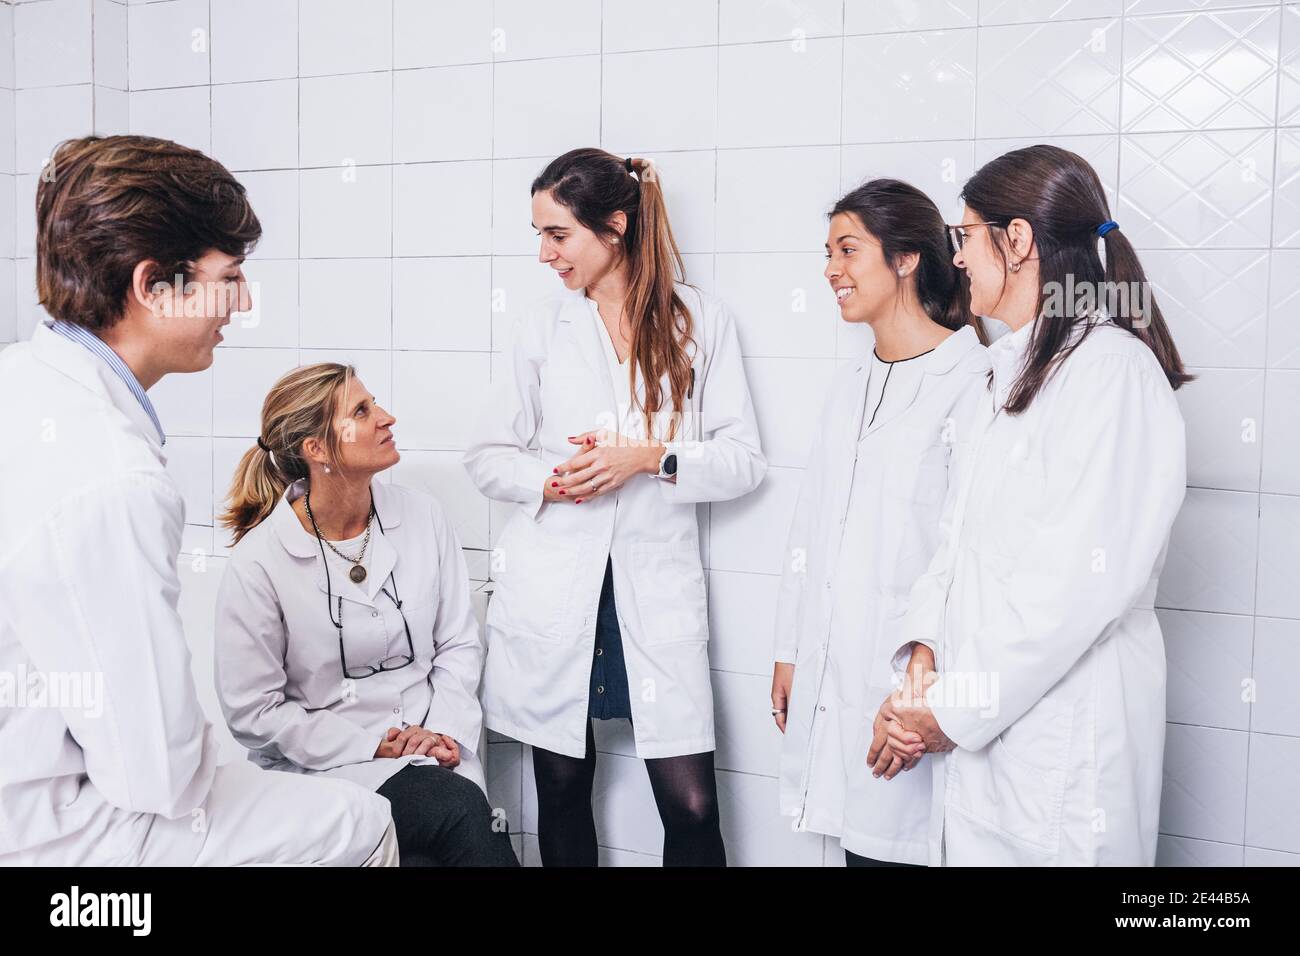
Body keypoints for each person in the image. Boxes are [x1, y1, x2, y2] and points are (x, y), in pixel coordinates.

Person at [0, 135, 395, 866]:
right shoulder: (114, 478)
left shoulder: (20, 382)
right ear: (155, 285)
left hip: (33, 789)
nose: (241, 303)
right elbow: (160, 777)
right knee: (360, 824)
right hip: (61, 836)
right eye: (230, 277)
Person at [869, 145, 1189, 866]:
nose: (956, 259)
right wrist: (920, 671)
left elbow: (1072, 588)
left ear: (1016, 241)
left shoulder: (1111, 375)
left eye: (965, 237)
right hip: (984, 746)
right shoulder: (1000, 371)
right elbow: (952, 551)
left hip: (1065, 759)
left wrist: (945, 714)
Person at [463, 148, 766, 866]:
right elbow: (485, 456)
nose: (544, 253)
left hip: (651, 593)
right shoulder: (540, 328)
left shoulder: (700, 320)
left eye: (557, 234)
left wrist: (648, 457)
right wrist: (550, 481)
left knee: (692, 807)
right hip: (559, 587)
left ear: (616, 226)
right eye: (539, 234)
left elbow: (743, 460)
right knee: (562, 787)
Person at [214, 363, 519, 867]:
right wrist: (375, 746)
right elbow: (253, 713)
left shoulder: (422, 518)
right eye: (362, 411)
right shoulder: (260, 563)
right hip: (324, 766)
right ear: (316, 450)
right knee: (461, 811)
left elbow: (457, 645)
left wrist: (442, 732)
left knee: (446, 828)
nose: (387, 417)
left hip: (431, 745)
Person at [772, 179, 990, 867]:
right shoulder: (850, 384)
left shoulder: (973, 382)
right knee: (856, 847)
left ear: (905, 259)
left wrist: (923, 688)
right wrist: (790, 648)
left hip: (914, 684)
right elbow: (812, 528)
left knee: (900, 848)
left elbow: (968, 555)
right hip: (835, 673)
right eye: (827, 252)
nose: (830, 269)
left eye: (847, 249)